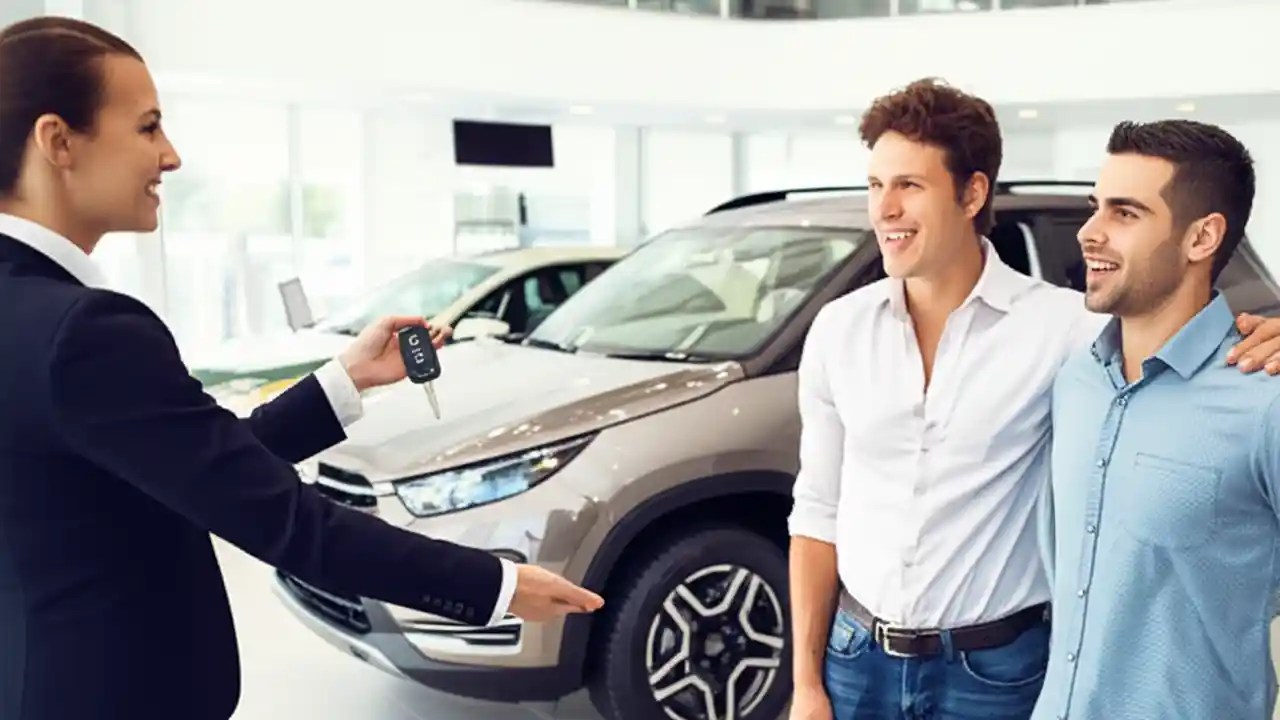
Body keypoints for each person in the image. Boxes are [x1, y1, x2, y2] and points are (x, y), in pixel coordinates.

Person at [0, 16, 602, 720]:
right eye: (148, 127)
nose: (171, 156)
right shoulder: (85, 332)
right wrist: (497, 587)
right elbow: (287, 521)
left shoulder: (29, 315)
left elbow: (195, 467)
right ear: (58, 141)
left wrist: (345, 380)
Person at [786, 79, 1280, 720]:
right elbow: (817, 509)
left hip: (993, 673)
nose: (885, 208)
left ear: (973, 194)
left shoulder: (1067, 333)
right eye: (876, 184)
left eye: (908, 184)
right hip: (859, 658)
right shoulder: (840, 330)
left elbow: (1178, 330)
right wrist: (806, 683)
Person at [1031, 120, 1280, 719]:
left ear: (1202, 237)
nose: (1089, 233)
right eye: (1095, 207)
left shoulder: (1263, 401)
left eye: (1125, 213)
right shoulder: (1076, 382)